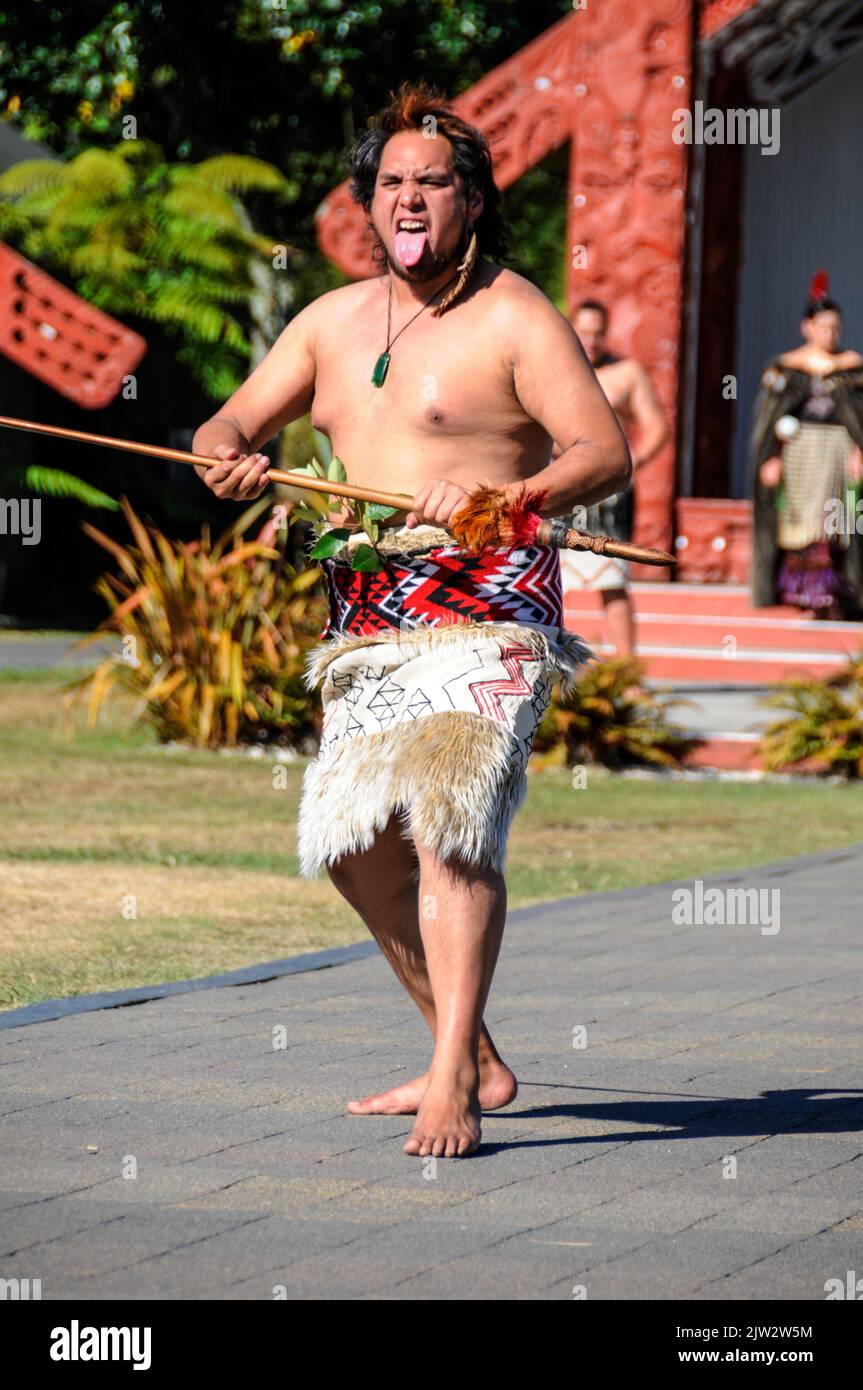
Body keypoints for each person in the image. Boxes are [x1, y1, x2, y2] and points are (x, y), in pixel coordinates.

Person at [192, 82, 629, 1159]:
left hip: (487, 606)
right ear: (367, 202)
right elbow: (229, 421)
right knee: (354, 852)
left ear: (470, 200)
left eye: (431, 181)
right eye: (390, 182)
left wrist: (507, 501)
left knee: (446, 833)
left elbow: (600, 452)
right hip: (369, 614)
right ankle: (467, 1046)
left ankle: (454, 1091)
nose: (408, 198)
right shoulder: (329, 322)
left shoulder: (514, 315)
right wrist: (226, 457)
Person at [554, 300, 669, 656]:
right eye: (583, 332)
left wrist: (627, 463)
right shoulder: (555, 369)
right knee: (552, 575)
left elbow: (656, 428)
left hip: (608, 494)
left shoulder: (626, 373)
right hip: (560, 483)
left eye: (597, 333)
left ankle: (628, 671)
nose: (590, 340)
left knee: (613, 577)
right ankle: (551, 660)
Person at [751, 270, 863, 617]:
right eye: (822, 326)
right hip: (799, 451)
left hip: (837, 449)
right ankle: (803, 593)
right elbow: (770, 421)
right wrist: (772, 456)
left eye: (835, 327)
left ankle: (835, 592)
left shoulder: (852, 367)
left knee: (836, 519)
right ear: (807, 327)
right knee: (800, 521)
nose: (829, 334)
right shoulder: (786, 367)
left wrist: (859, 449)